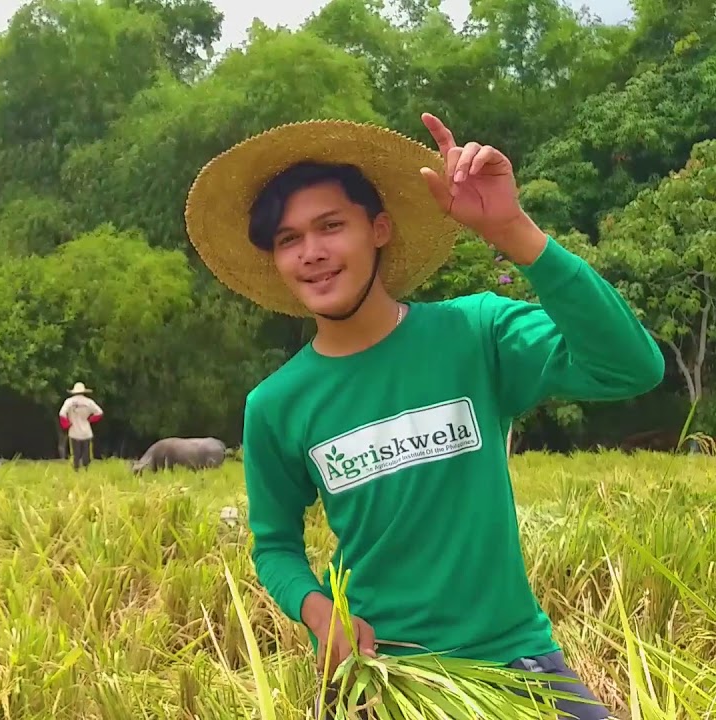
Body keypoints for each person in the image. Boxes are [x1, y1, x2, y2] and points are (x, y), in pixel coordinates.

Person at [183, 114, 664, 719]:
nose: (312, 253)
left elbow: (632, 367)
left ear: (378, 229)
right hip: (384, 678)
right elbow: (274, 544)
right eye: (288, 239)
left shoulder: (475, 331)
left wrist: (513, 230)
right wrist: (317, 611)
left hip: (517, 664)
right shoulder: (276, 404)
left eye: (331, 225)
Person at [57, 382, 103, 470]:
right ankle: (86, 469)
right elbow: (99, 412)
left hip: (74, 431)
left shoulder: (69, 402)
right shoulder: (89, 402)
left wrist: (67, 424)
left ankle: (76, 469)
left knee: (75, 453)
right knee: (86, 453)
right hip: (86, 431)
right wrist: (90, 419)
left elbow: (62, 413)